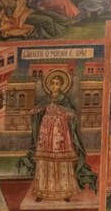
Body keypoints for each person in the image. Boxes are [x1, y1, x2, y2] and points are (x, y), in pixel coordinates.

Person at [22, 70, 96, 202]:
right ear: (49, 86)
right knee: (44, 161)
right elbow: (38, 109)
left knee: (62, 161)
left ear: (61, 86)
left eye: (57, 84)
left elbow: (72, 113)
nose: (54, 86)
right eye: (52, 84)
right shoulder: (46, 99)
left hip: (60, 135)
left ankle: (65, 192)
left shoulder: (63, 100)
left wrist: (61, 111)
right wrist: (33, 111)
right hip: (46, 133)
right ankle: (42, 192)